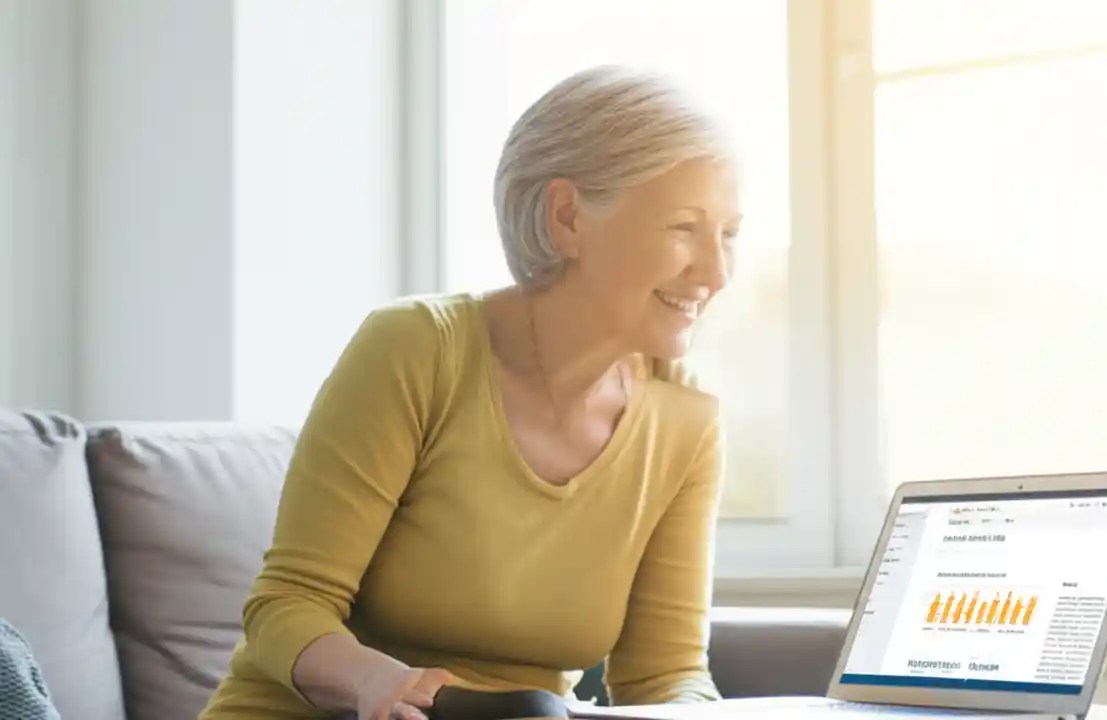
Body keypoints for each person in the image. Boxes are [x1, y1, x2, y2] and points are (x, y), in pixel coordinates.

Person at [201, 64, 741, 720]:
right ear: (567, 217)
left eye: (729, 235)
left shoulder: (686, 423)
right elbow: (286, 604)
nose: (715, 272)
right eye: (684, 228)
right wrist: (376, 682)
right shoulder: (416, 349)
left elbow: (666, 676)